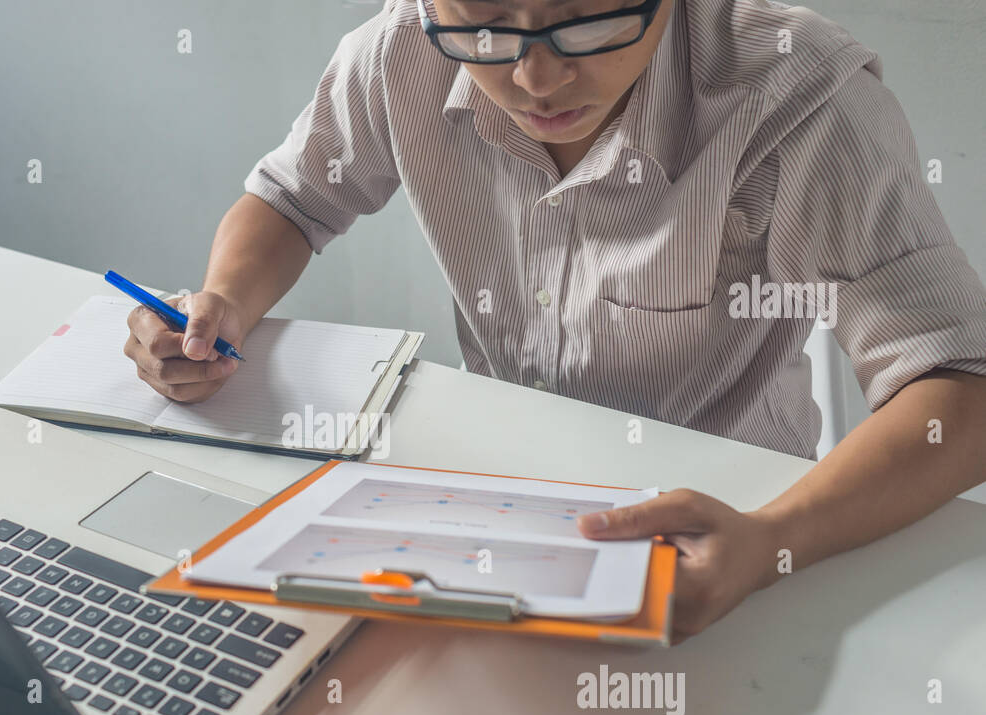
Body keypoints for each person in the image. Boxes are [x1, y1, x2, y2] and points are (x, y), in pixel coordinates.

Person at [124, 0, 986, 637]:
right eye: (486, 27)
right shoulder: (405, 49)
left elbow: (962, 388)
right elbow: (291, 197)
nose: (535, 79)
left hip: (728, 543)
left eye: (585, 21)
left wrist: (774, 540)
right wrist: (223, 302)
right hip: (494, 520)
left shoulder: (797, 102)